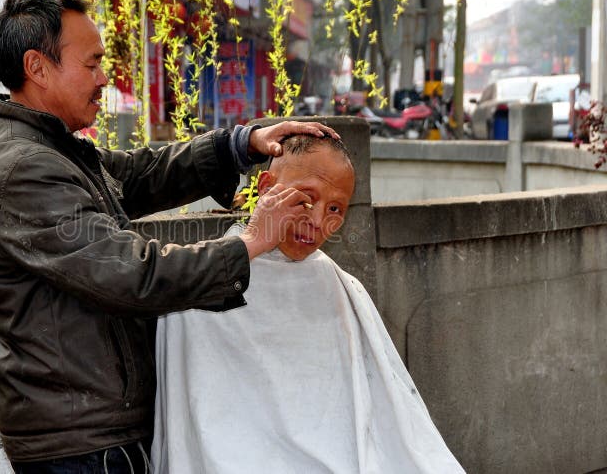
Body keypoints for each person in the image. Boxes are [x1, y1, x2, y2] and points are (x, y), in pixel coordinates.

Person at [0, 0, 338, 473]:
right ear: (38, 68)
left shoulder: (50, 148)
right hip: (82, 444)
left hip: (94, 431)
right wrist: (251, 242)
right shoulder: (23, 168)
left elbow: (138, 175)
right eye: (92, 64)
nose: (103, 79)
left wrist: (239, 145)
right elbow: (131, 274)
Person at [152, 134, 465, 473]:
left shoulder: (342, 288)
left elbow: (385, 419)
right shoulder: (204, 281)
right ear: (267, 187)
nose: (317, 222)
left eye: (335, 209)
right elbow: (196, 432)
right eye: (305, 199)